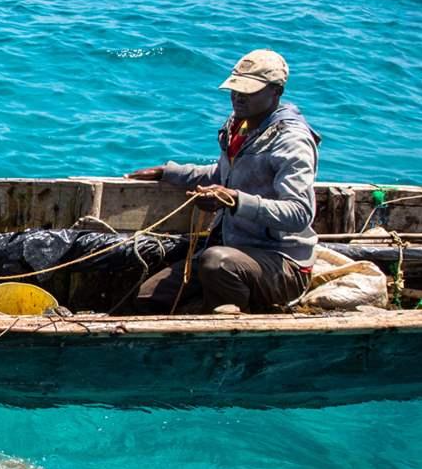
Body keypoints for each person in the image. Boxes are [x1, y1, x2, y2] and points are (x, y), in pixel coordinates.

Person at [125, 49, 321, 313]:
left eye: (249, 91)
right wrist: (169, 172)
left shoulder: (291, 141)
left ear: (276, 92)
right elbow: (222, 176)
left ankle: (233, 325)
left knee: (217, 263)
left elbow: (299, 213)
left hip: (281, 263)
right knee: (148, 298)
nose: (238, 96)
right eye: (236, 88)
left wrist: (235, 200)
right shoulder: (241, 125)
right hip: (231, 248)